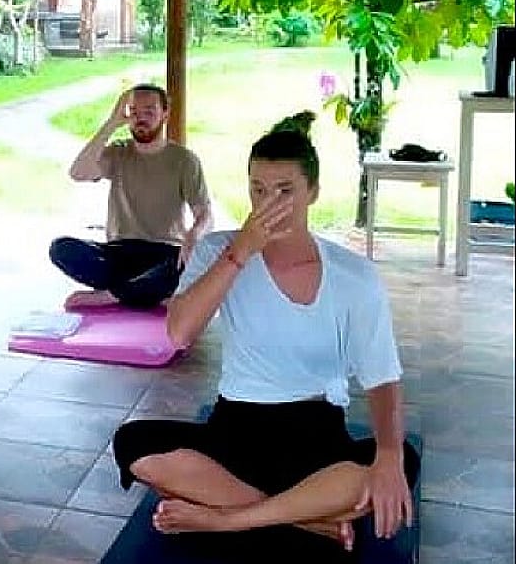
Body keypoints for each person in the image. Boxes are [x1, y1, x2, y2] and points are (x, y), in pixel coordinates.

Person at [112, 124, 420, 555]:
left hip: (317, 437)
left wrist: (387, 457)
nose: (269, 203)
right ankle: (312, 522)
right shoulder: (217, 252)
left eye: (284, 190)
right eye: (258, 189)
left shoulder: (354, 276)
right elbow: (179, 333)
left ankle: (230, 519)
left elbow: (382, 376)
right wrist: (240, 253)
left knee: (400, 458)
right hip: (235, 428)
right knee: (133, 444)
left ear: (312, 192)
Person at [50, 83, 212, 310]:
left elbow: (205, 214)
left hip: (164, 253)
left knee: (193, 262)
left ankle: (112, 296)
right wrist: (112, 123)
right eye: (134, 112)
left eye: (149, 112)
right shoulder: (118, 152)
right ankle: (145, 292)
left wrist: (194, 235)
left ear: (165, 114)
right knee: (60, 248)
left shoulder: (184, 160)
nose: (140, 119)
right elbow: (78, 173)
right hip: (118, 253)